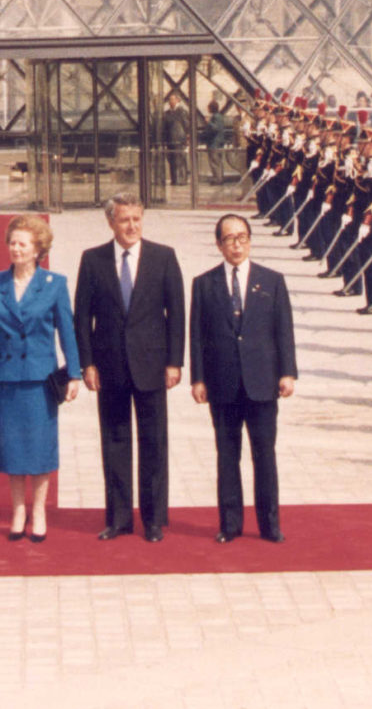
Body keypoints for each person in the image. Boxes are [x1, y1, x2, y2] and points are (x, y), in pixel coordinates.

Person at [73, 192, 185, 542]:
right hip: (110, 367)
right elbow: (82, 318)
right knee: (115, 441)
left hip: (152, 365)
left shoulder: (163, 257)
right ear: (111, 222)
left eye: (137, 218)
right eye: (125, 219)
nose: (132, 225)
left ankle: (153, 520)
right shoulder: (92, 260)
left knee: (153, 443)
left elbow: (177, 313)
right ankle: (119, 519)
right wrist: (86, 364)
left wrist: (174, 362)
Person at [189, 214, 296, 542]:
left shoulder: (272, 280)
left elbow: (283, 330)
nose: (236, 243)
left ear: (250, 240)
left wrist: (288, 372)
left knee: (264, 455)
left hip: (262, 382)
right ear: (218, 244)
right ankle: (230, 524)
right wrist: (198, 379)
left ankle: (270, 524)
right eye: (229, 238)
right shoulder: (204, 284)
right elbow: (197, 336)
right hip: (223, 384)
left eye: (242, 237)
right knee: (227, 455)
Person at [0, 211, 81, 543]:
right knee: (12, 450)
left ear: (38, 249)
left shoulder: (55, 284)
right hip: (6, 378)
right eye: (12, 242)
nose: (15, 249)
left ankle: (39, 510)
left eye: (22, 244)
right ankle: (17, 510)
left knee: (39, 449)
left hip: (40, 380)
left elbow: (68, 332)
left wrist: (75, 373)